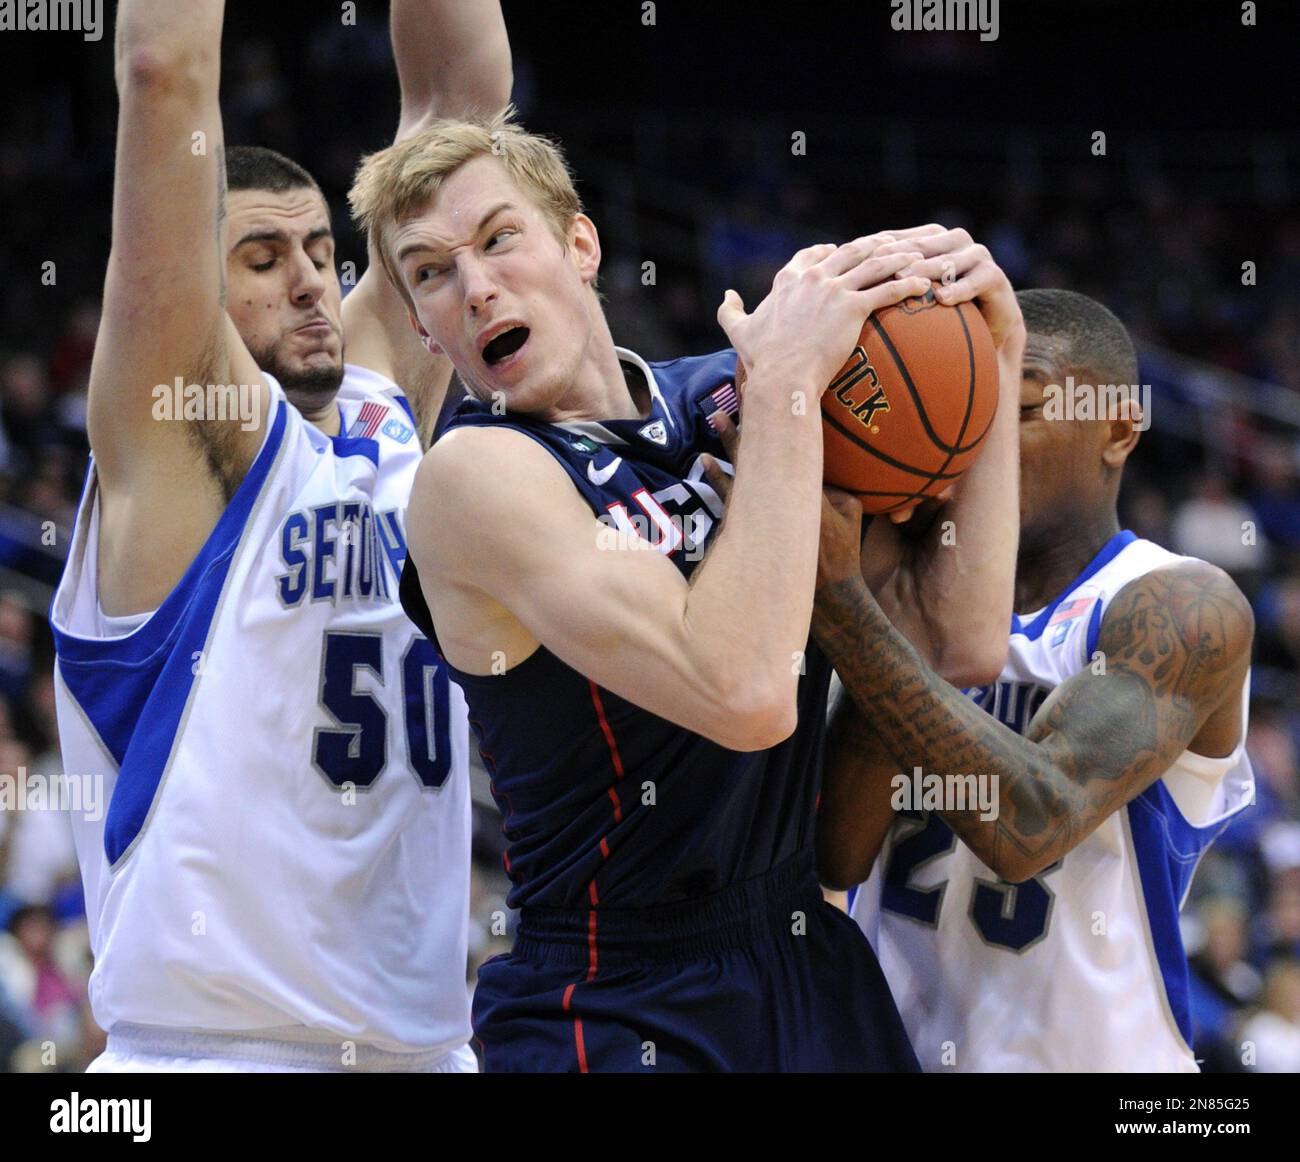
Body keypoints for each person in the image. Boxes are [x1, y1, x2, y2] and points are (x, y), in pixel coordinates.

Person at [349, 112, 1022, 1070]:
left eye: (499, 238)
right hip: (618, 992)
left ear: (580, 243)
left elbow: (960, 637)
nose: (476, 286)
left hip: (803, 951)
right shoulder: (475, 478)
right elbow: (743, 692)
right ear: (419, 324)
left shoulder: (724, 395)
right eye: (431, 272)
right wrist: (789, 383)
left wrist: (993, 345)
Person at [48, 0, 510, 1072]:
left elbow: (462, 103)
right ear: (194, 290)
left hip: (427, 1044)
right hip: (219, 1051)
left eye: (316, 248)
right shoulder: (184, 442)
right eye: (260, 257)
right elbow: (164, 68)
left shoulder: (380, 397)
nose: (309, 278)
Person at [814, 287, 1255, 1072]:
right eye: (963, 414)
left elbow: (1032, 819)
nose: (976, 446)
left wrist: (845, 610)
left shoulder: (1178, 603)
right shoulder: (899, 607)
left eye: (1018, 411)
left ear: (1117, 430)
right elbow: (835, 857)